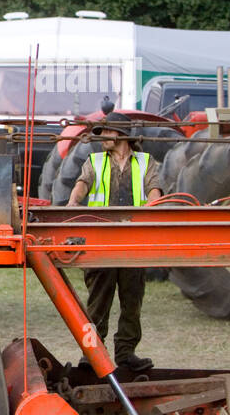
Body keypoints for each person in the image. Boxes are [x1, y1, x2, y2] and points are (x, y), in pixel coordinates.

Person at [67, 113, 164, 373]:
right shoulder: (95, 161)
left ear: (119, 134)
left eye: (105, 132)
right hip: (101, 242)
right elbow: (82, 184)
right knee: (98, 300)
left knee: (132, 300)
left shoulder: (145, 162)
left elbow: (154, 190)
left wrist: (153, 209)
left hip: (134, 242)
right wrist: (72, 204)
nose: (100, 138)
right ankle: (92, 354)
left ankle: (126, 353)